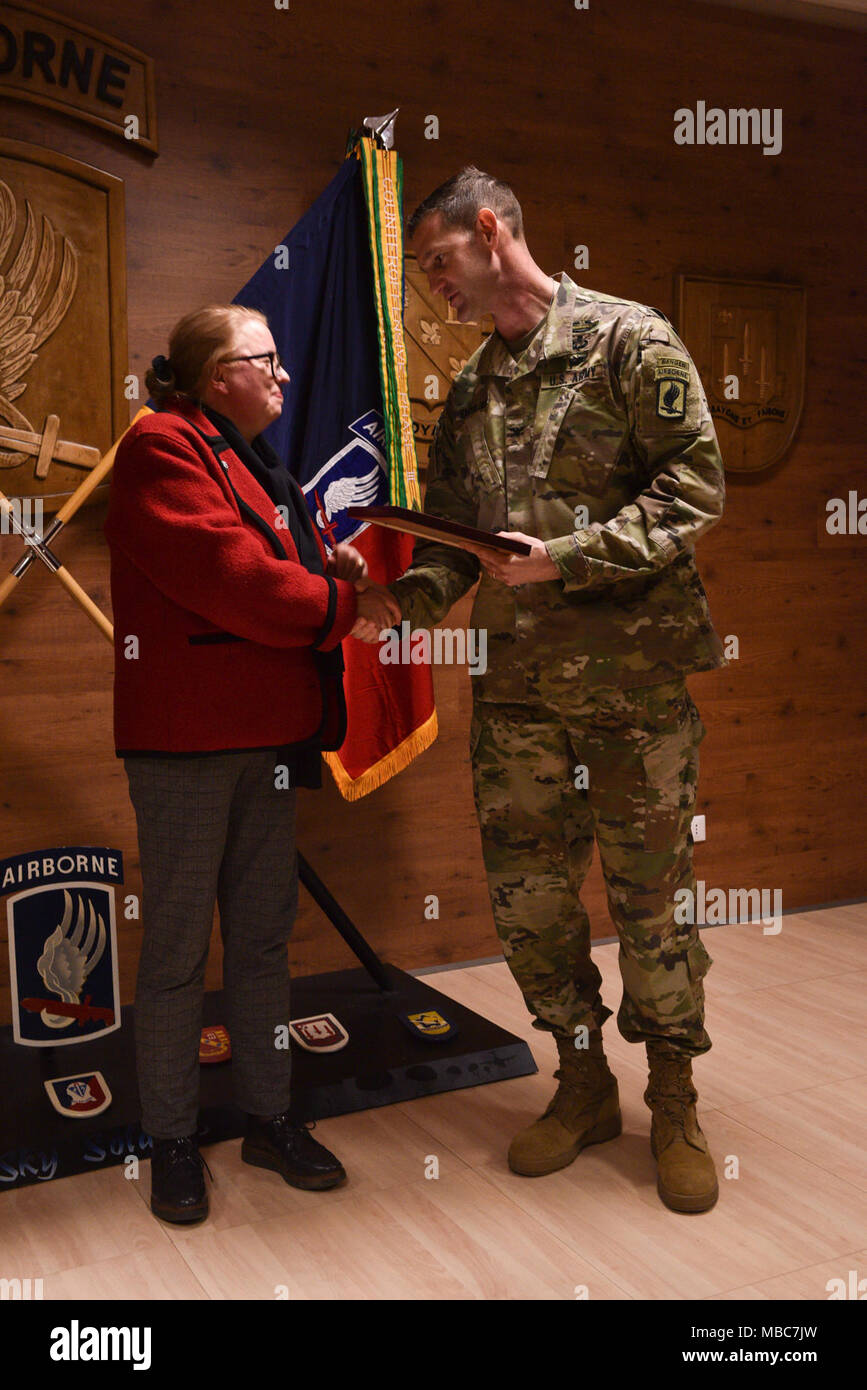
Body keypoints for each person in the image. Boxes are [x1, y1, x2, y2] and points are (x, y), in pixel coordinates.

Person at [385, 167, 727, 1213]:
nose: (433, 286)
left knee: (650, 905)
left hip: (632, 687)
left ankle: (673, 1096)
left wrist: (568, 556)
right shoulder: (474, 387)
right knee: (532, 904)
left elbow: (693, 488)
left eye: (439, 262)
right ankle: (581, 1083)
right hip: (520, 694)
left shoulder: (631, 341)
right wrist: (400, 602)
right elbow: (452, 530)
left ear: (493, 232)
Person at [105, 303, 400, 1224]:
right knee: (178, 953)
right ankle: (173, 1142)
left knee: (265, 940)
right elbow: (229, 573)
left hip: (267, 737)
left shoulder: (251, 456)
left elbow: (280, 552)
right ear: (206, 377)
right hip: (187, 743)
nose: (280, 373)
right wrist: (343, 606)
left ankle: (270, 1118)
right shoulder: (161, 444)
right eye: (259, 359)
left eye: (278, 356)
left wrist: (332, 558)